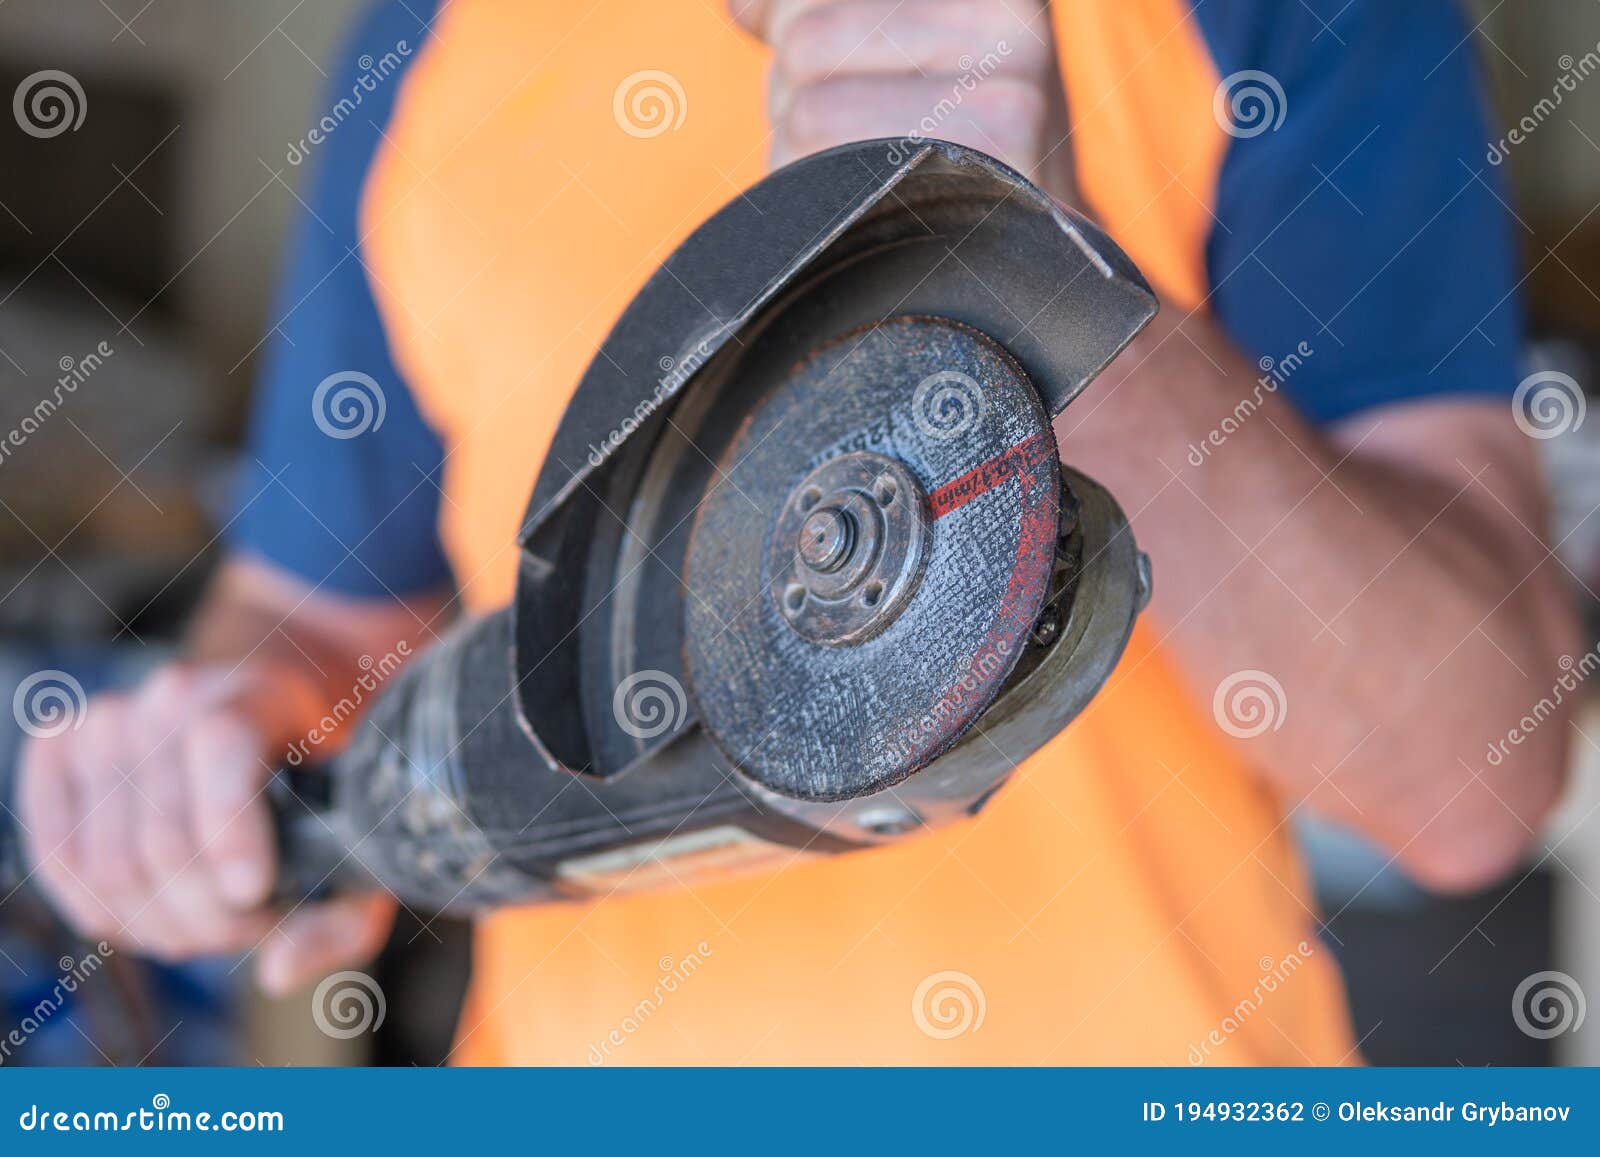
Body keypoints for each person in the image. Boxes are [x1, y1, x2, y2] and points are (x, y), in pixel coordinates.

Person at [17, 0, 1577, 1063]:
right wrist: (229, 745)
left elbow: (1466, 776)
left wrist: (1022, 264)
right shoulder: (434, 43)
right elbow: (314, 628)